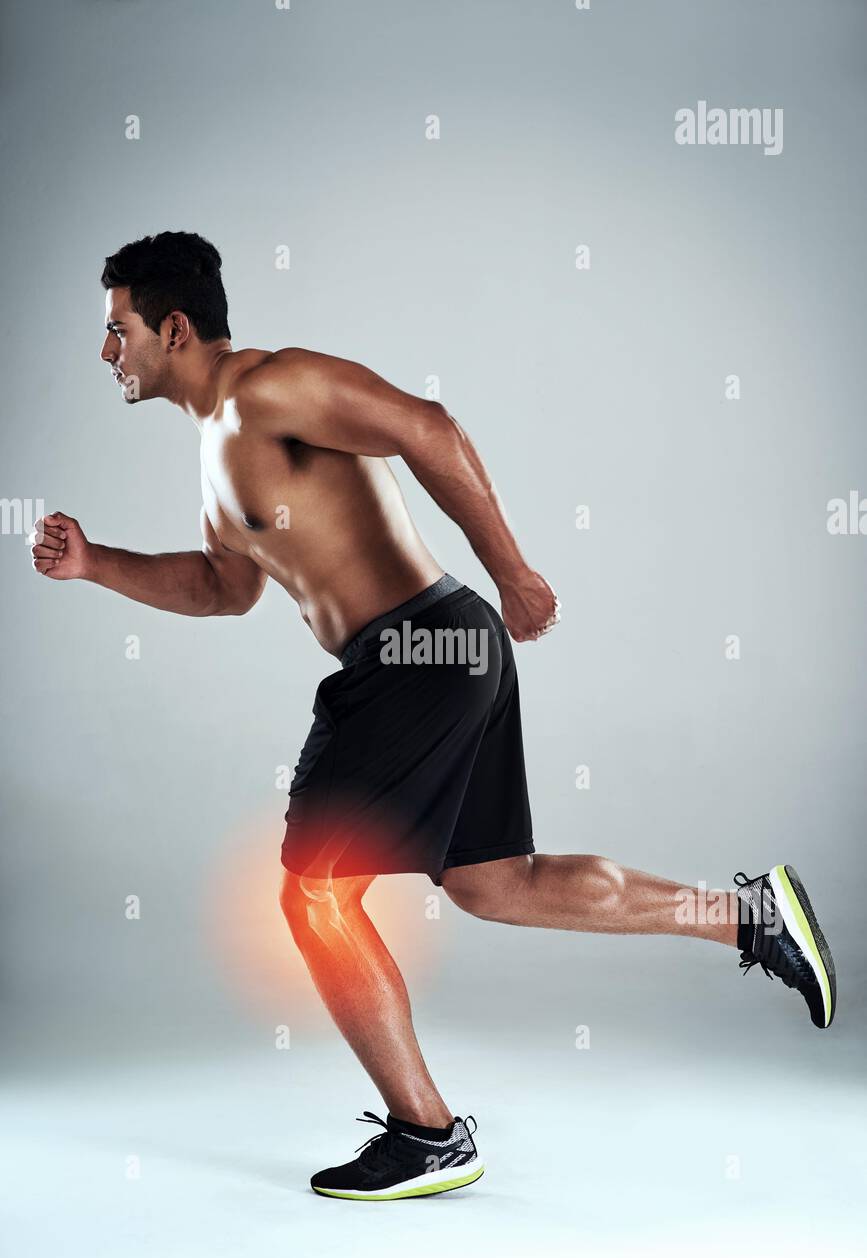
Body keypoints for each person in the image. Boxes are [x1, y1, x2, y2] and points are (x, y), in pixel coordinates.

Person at [30, 231, 837, 1202]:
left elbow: (428, 426)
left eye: (116, 329)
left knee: (310, 893)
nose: (106, 351)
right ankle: (746, 917)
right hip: (441, 652)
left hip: (418, 651)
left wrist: (514, 572)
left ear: (174, 327)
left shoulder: (268, 389)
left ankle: (429, 1133)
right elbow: (221, 588)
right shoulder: (219, 451)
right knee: (497, 883)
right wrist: (94, 563)